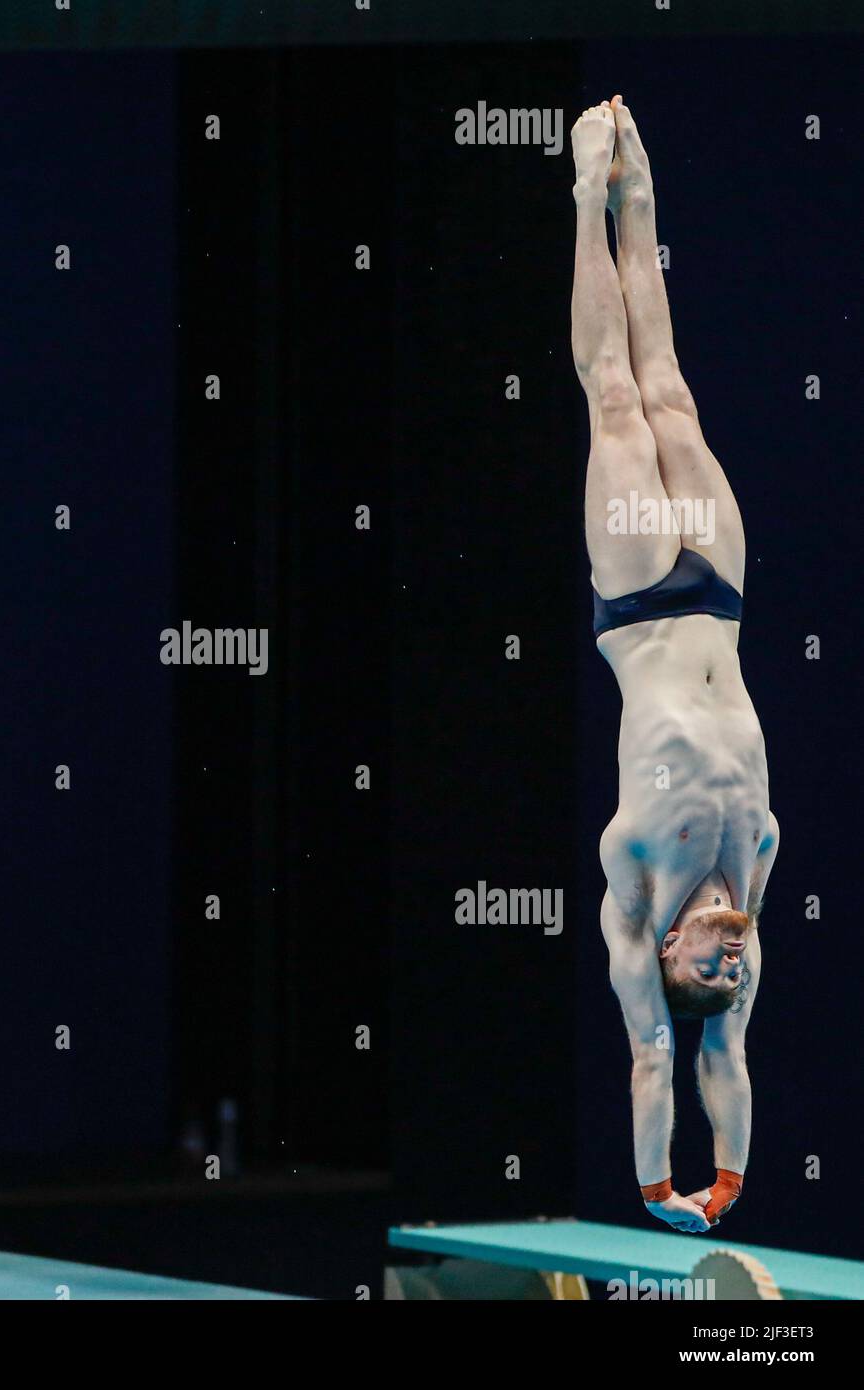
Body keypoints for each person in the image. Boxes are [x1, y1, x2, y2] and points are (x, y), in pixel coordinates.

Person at [571, 97, 778, 1234]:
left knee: (613, 393)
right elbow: (727, 1054)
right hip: (723, 591)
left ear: (668, 950)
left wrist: (663, 1187)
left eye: (711, 969)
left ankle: (582, 195)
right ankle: (639, 189)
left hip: (644, 606)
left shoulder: (636, 884)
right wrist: (732, 1178)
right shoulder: (752, 869)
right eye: (733, 973)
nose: (731, 964)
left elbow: (660, 1053)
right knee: (672, 392)